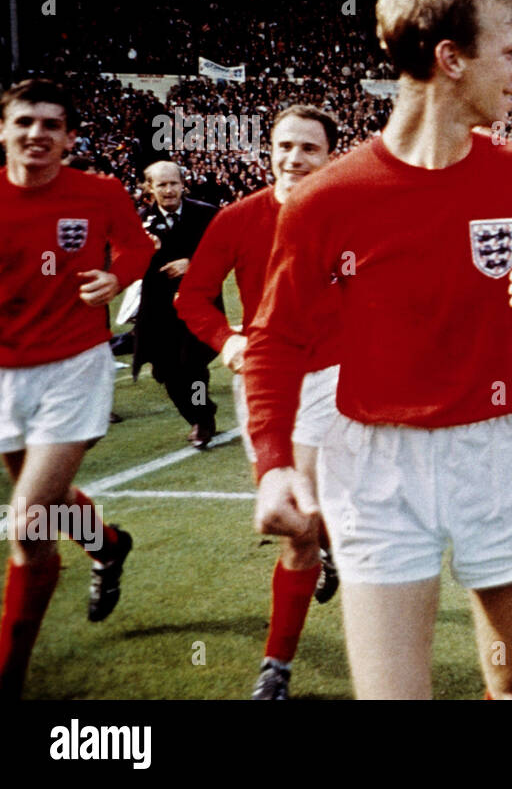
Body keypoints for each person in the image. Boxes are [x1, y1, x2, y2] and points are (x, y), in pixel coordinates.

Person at [242, 0, 512, 700]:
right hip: (376, 468)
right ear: (451, 58)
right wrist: (276, 461)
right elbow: (274, 340)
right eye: (509, 52)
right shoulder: (330, 197)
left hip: (506, 452)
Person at [176, 105, 343, 699]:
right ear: (268, 150)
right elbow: (192, 297)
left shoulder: (350, 216)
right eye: (285, 146)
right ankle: (323, 548)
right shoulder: (238, 219)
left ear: (330, 157)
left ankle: (277, 665)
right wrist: (228, 338)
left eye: (309, 149)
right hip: (267, 380)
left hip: (334, 380)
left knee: (304, 515)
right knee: (293, 520)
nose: (294, 158)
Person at [0, 79, 154, 697]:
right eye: (25, 122)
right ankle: (108, 544)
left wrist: (116, 278)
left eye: (51, 124)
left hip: (74, 366)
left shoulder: (100, 192)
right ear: (5, 131)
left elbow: (139, 246)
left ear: (68, 138)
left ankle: (11, 677)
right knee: (52, 498)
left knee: (31, 523)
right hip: (7, 372)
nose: (37, 133)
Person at [132, 160, 220, 447]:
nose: (169, 190)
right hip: (159, 311)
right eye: (161, 184)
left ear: (183, 184)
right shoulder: (140, 222)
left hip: (199, 307)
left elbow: (226, 257)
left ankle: (202, 419)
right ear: (149, 188)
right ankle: (198, 412)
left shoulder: (206, 215)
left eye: (173, 183)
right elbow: (126, 264)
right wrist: (144, 251)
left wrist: (193, 265)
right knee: (167, 371)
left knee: (192, 365)